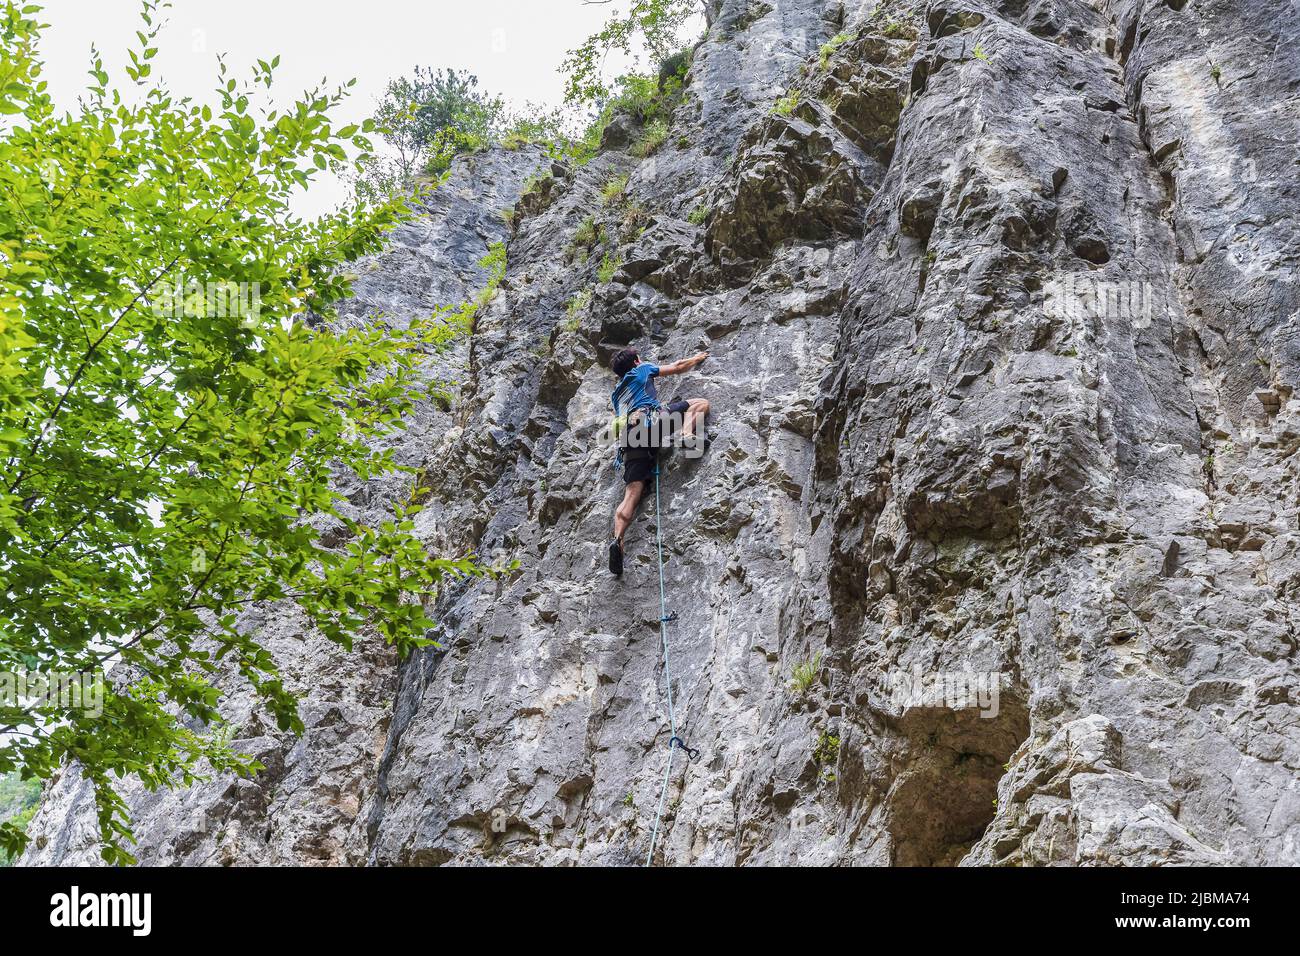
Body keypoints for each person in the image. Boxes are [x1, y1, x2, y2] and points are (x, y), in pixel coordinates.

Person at [607, 347, 710, 576]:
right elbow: (677, 367)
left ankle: (618, 539)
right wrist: (698, 357)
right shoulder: (640, 370)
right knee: (699, 403)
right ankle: (685, 433)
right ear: (636, 361)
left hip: (630, 439)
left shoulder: (616, 393)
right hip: (651, 421)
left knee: (632, 493)